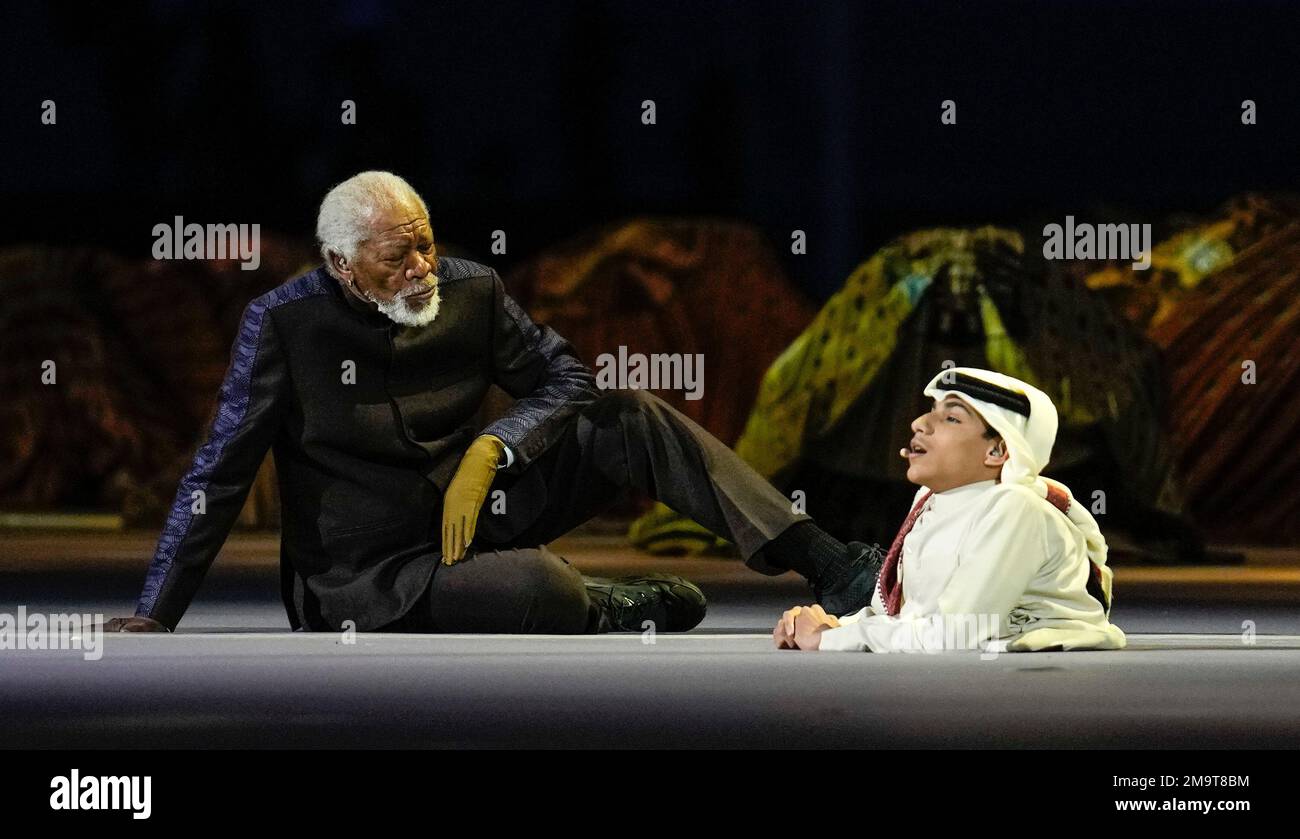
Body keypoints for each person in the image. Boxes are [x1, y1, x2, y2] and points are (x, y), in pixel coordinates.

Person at [104, 171, 877, 635]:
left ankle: (830, 564)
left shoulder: (471, 290)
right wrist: (157, 609)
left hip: (482, 512)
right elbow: (220, 470)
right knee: (539, 585)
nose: (421, 266)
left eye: (426, 242)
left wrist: (492, 448)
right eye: (395, 254)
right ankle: (602, 604)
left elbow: (568, 379)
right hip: (373, 574)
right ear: (341, 264)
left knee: (629, 412)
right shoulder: (283, 324)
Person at [774, 367, 1127, 653]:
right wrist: (831, 623)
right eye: (931, 412)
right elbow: (909, 617)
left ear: (998, 451)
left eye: (951, 419)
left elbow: (956, 635)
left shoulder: (1016, 508)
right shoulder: (931, 499)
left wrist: (830, 640)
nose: (919, 424)